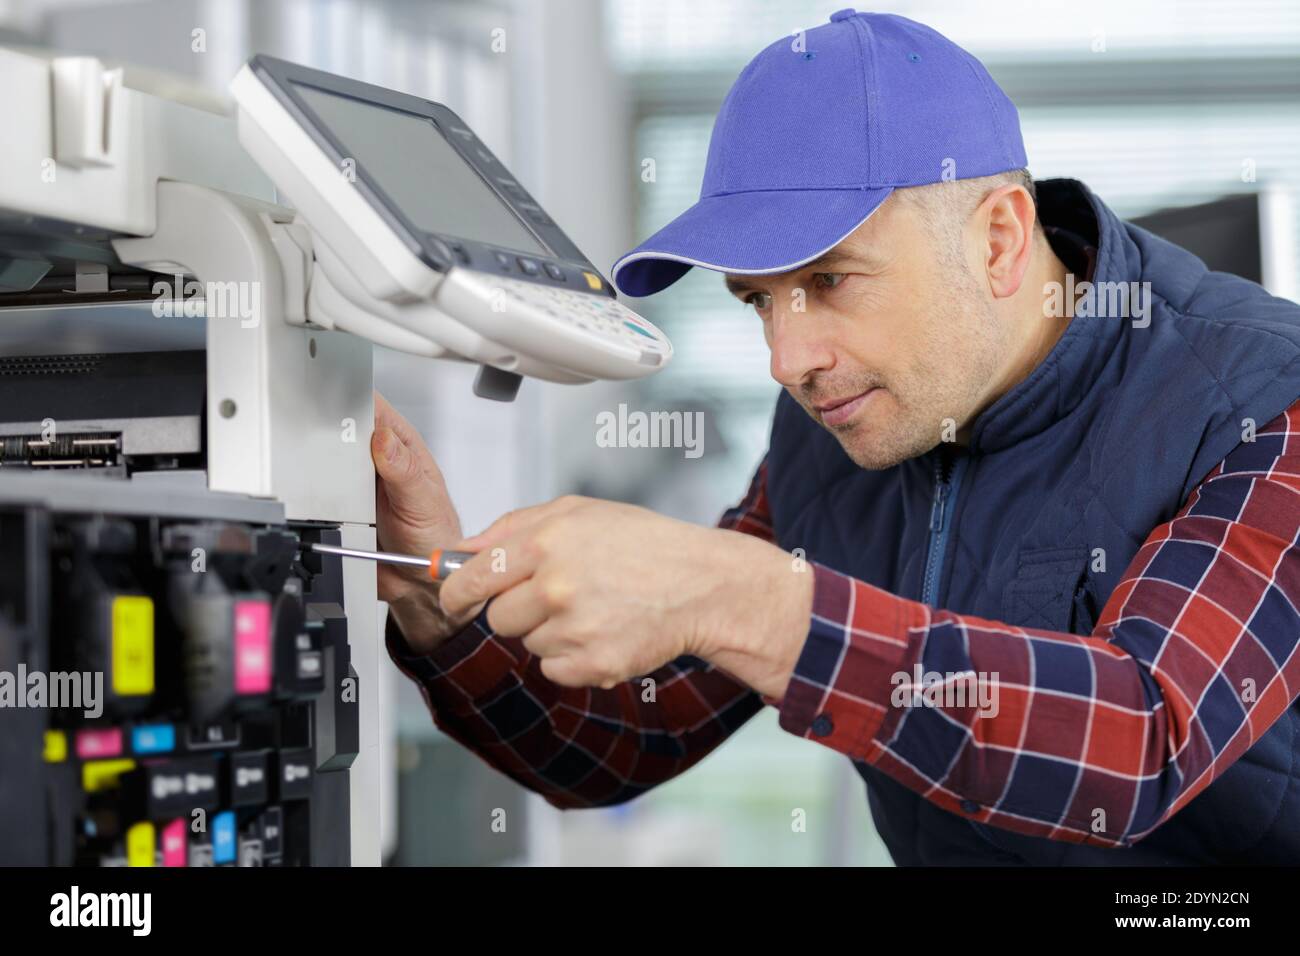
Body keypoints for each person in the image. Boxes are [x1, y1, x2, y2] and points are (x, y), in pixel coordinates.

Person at [374, 10, 1300, 865]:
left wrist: (751, 602)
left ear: (998, 242)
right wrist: (441, 610)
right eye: (757, 301)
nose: (787, 359)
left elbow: (1139, 738)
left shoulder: (1265, 403)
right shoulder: (840, 426)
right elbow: (620, 741)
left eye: (831, 281)